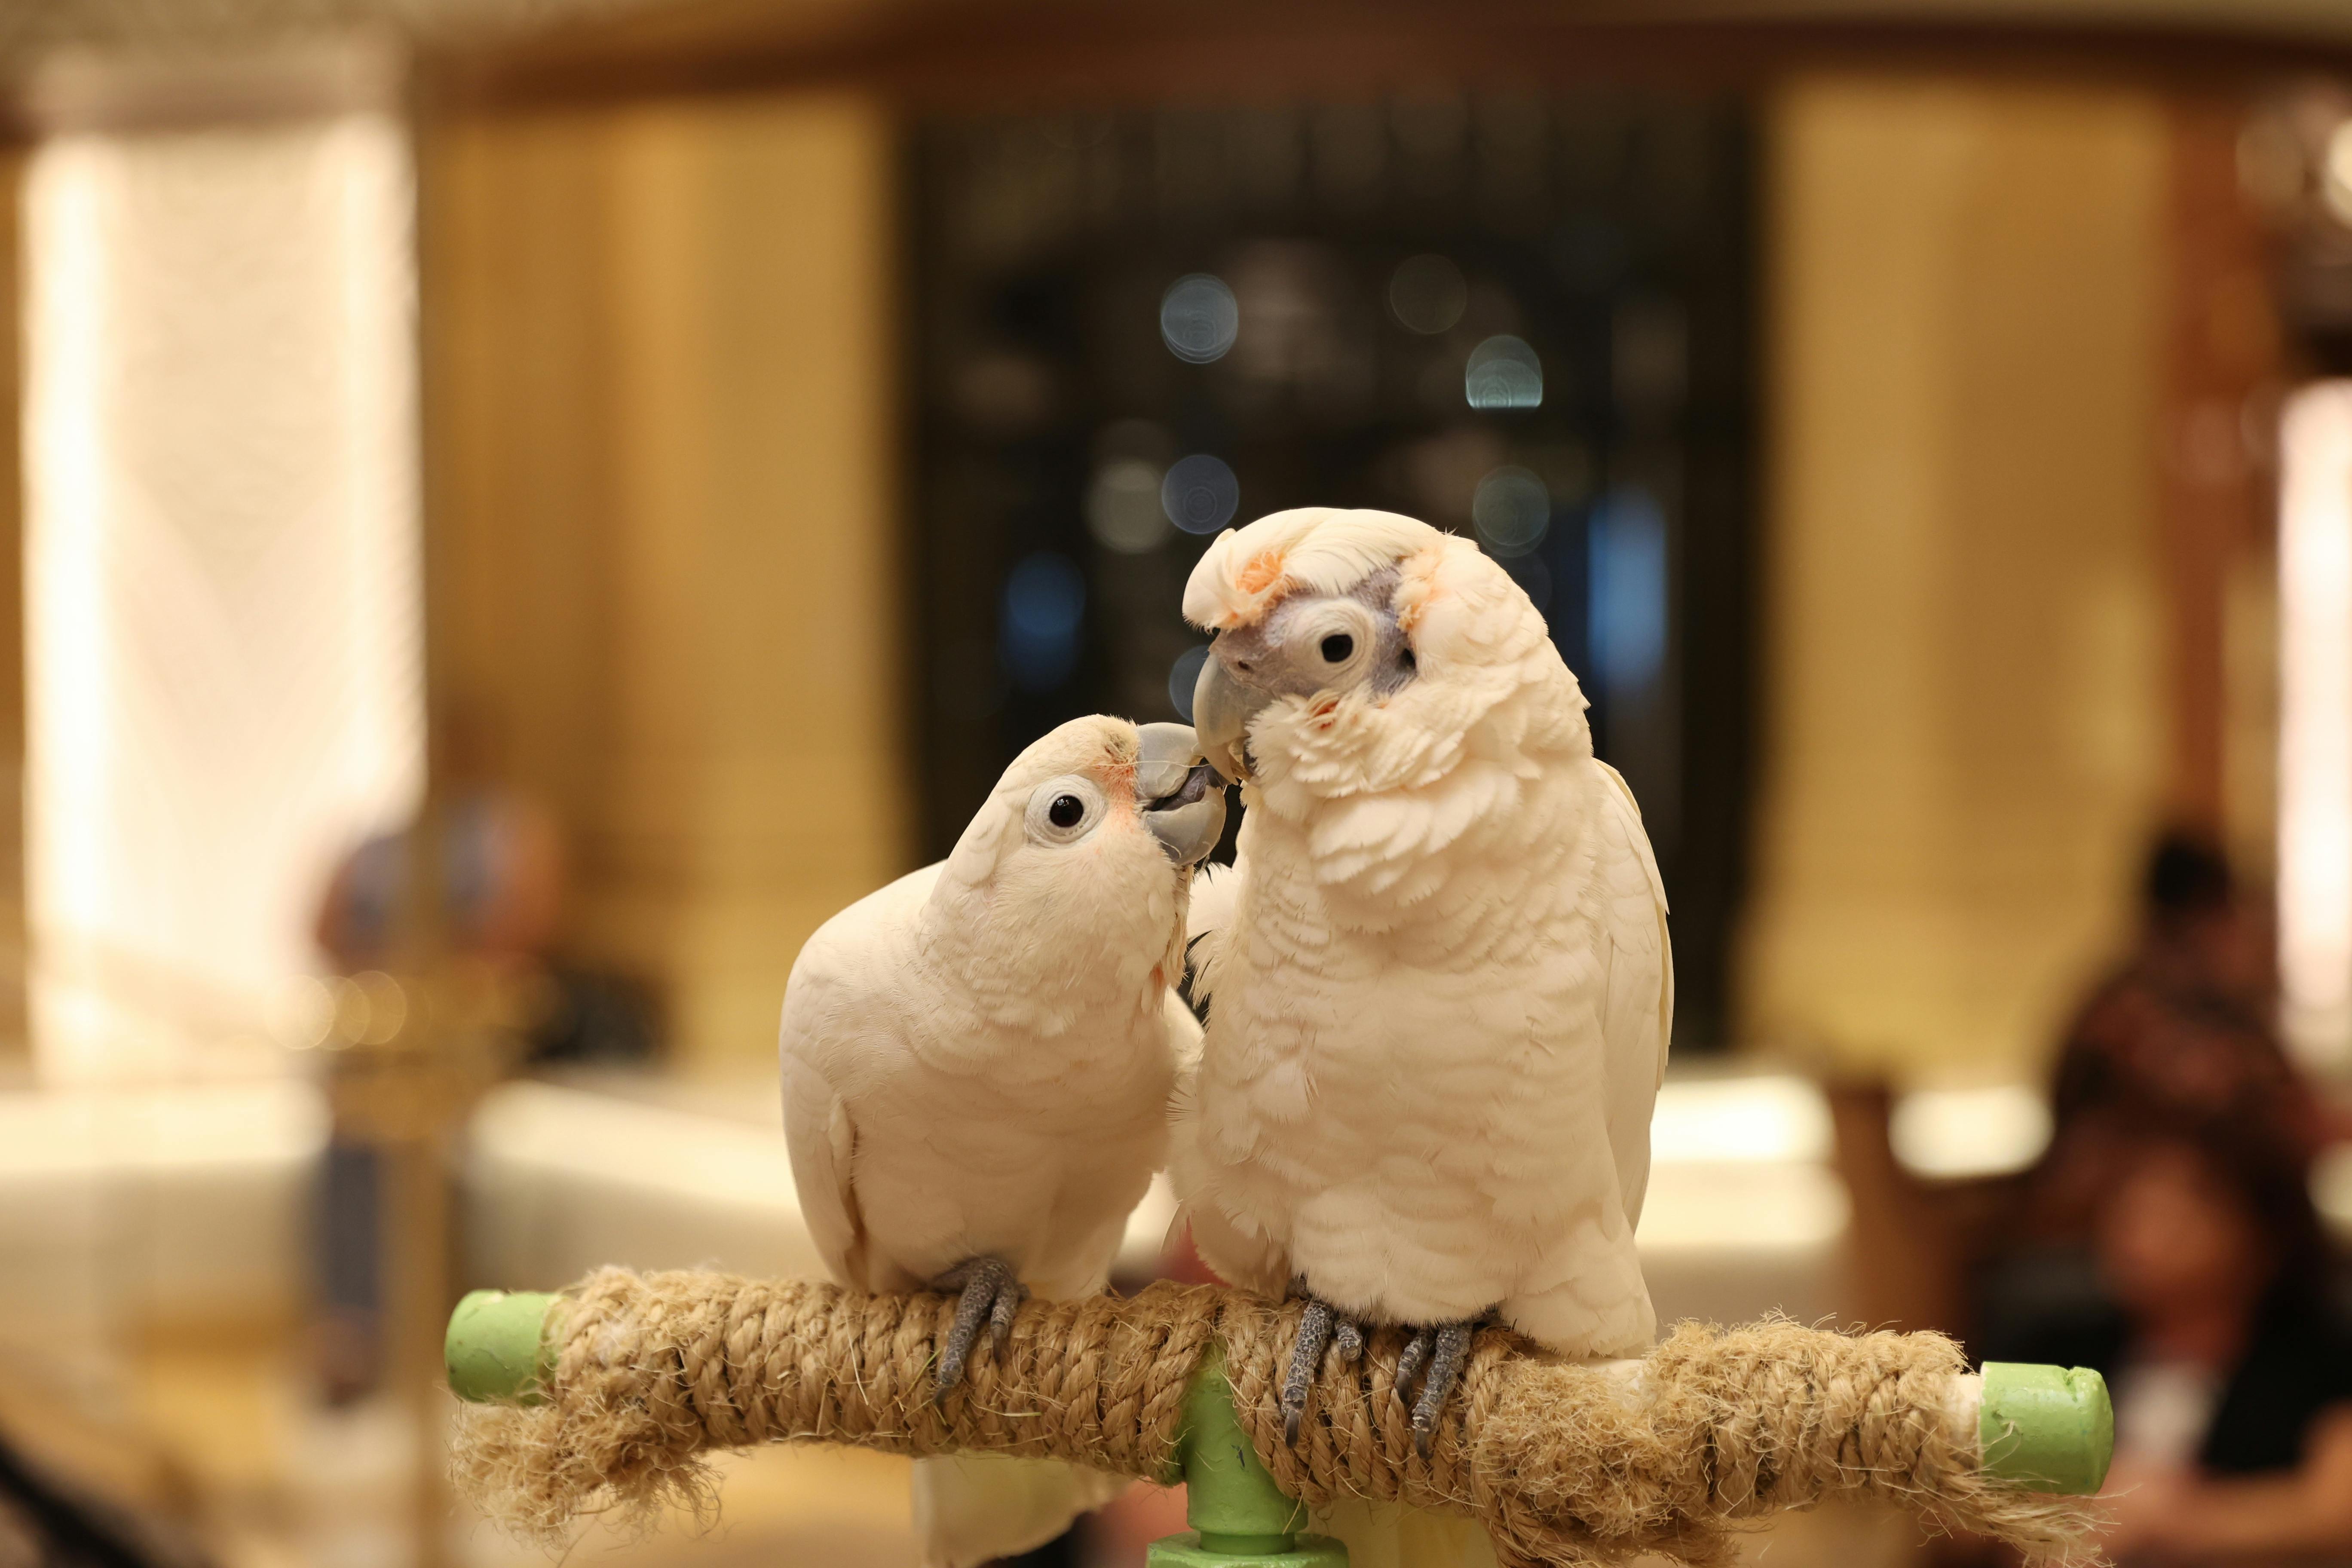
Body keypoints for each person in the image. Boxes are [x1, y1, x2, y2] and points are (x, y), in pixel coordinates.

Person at [1982, 1112, 2352, 1561]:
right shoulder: (2059, 1349)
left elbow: (2333, 1516)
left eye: (2180, 1207)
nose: (2139, 1230)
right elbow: (1960, 1504)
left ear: (2263, 1234)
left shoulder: (2315, 1358)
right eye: (2131, 1203)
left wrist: (2169, 1516)